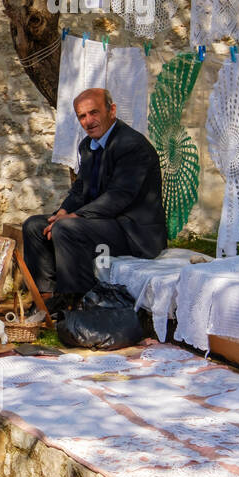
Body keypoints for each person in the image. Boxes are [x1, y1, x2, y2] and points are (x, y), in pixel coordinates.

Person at [22, 87, 166, 312]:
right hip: (105, 223)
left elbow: (119, 196)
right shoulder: (88, 146)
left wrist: (75, 216)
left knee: (67, 228)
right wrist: (62, 212)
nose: (89, 121)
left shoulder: (132, 146)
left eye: (94, 112)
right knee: (34, 225)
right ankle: (46, 298)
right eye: (82, 116)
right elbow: (81, 189)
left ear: (112, 111)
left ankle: (76, 302)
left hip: (134, 233)